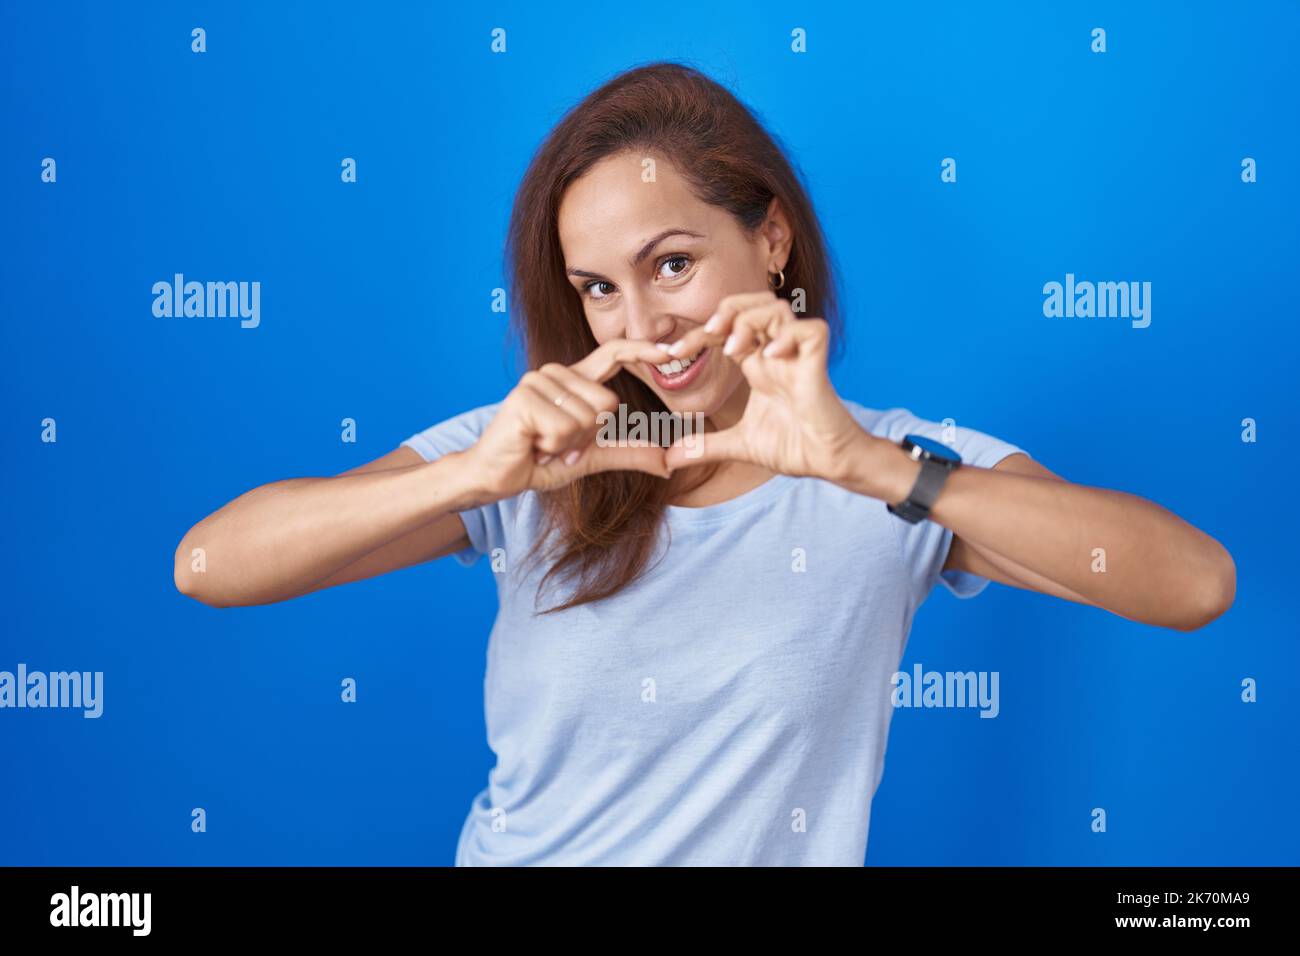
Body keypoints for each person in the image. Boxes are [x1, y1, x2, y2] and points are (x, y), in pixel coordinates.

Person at [174, 62, 1235, 866]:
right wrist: (468, 477)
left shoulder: (883, 466)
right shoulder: (536, 449)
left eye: (671, 263)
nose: (644, 325)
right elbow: (212, 564)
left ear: (771, 237)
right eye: (596, 287)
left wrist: (869, 466)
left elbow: (1191, 583)